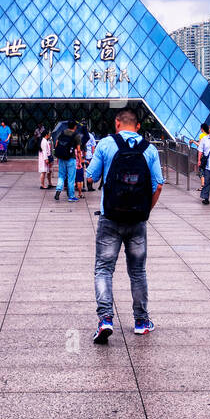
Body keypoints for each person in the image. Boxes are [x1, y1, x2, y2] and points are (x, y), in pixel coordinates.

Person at [85, 108, 165, 343]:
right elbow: (158, 185)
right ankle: (141, 321)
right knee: (138, 271)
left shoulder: (106, 145)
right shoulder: (150, 149)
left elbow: (91, 177)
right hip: (137, 220)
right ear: (138, 126)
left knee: (103, 269)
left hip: (110, 218)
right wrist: (145, 211)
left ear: (117, 123)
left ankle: (106, 319)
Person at [52, 119, 84, 202]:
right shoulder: (76, 135)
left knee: (61, 175)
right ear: (75, 126)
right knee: (71, 178)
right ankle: (71, 196)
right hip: (71, 158)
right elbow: (79, 150)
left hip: (62, 158)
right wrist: (80, 161)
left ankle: (58, 189)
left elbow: (56, 144)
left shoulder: (62, 132)